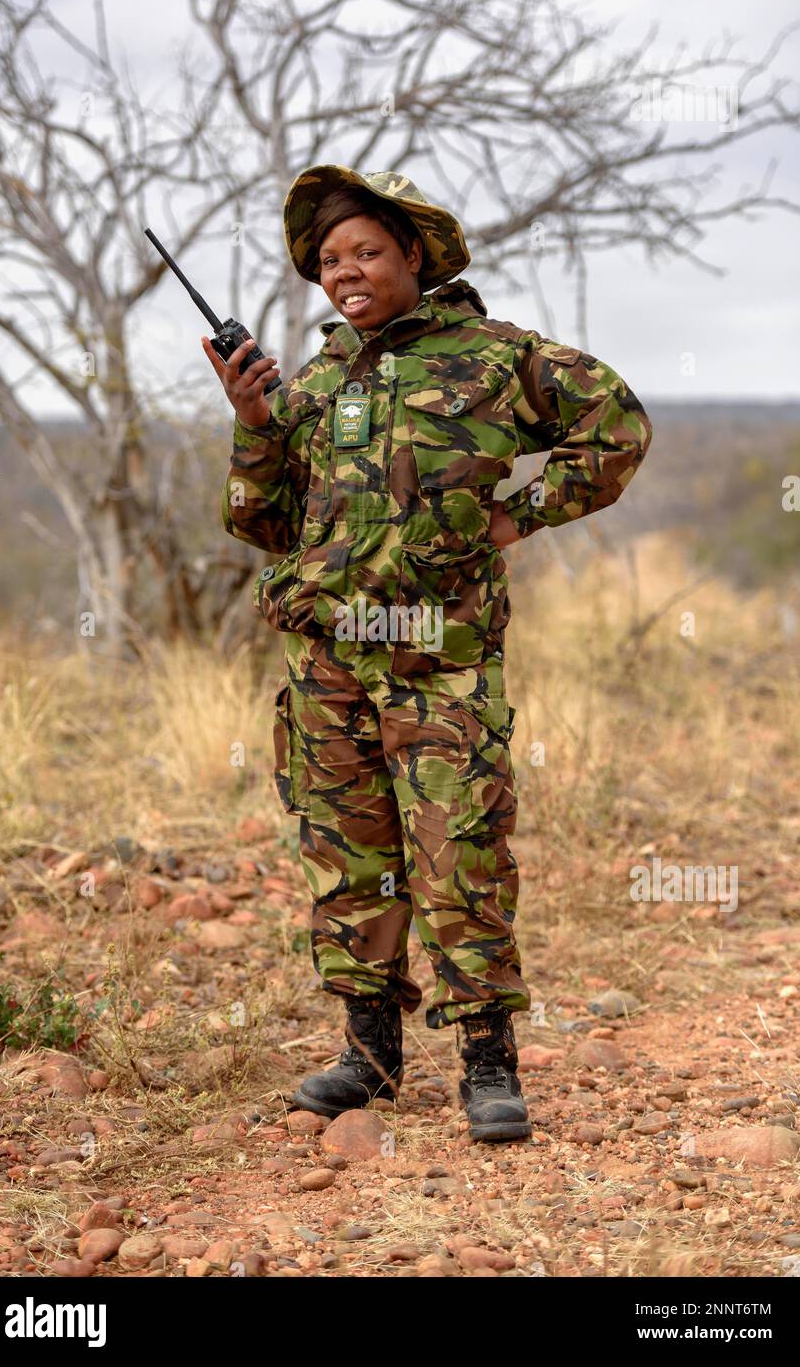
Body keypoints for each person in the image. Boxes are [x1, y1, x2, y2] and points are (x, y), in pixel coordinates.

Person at [203, 165, 652, 1143]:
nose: (346, 272)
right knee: (347, 856)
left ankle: (489, 1061)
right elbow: (265, 526)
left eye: (366, 250)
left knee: (462, 853)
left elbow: (615, 428)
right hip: (326, 666)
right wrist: (252, 428)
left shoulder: (494, 355)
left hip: (437, 658)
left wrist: (512, 513)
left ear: (414, 252)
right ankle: (368, 1054)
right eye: (328, 260)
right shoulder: (316, 379)